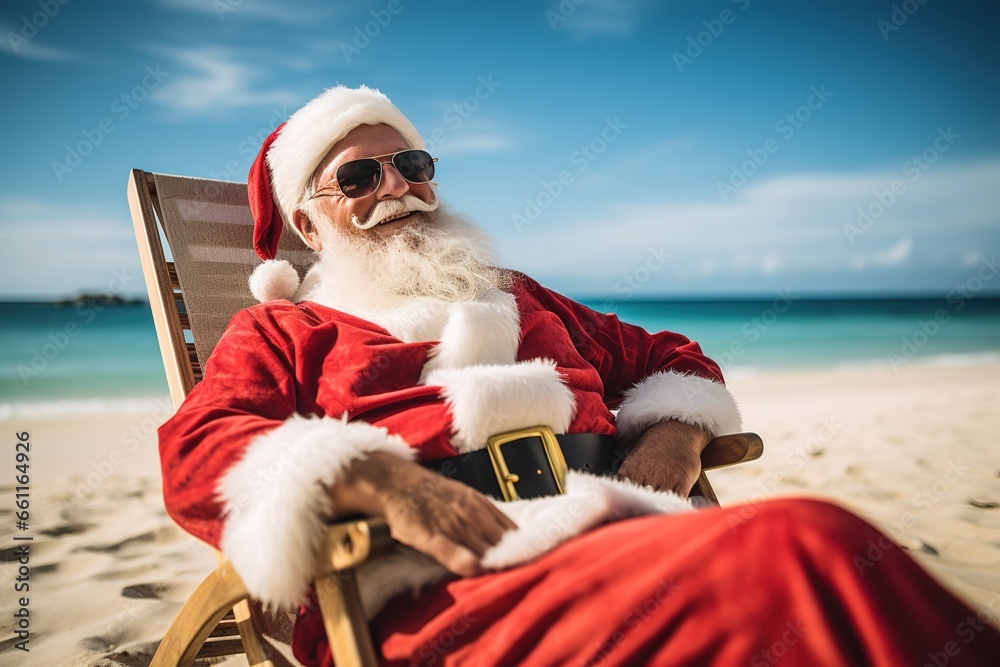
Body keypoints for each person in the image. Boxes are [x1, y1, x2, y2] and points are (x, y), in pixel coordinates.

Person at [158, 85, 1000, 666]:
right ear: (307, 221)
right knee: (811, 548)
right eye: (359, 177)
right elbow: (200, 451)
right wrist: (373, 477)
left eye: (414, 165)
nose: (402, 189)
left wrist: (676, 432)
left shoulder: (522, 297)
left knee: (825, 569)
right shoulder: (287, 329)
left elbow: (673, 358)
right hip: (451, 594)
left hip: (626, 541)